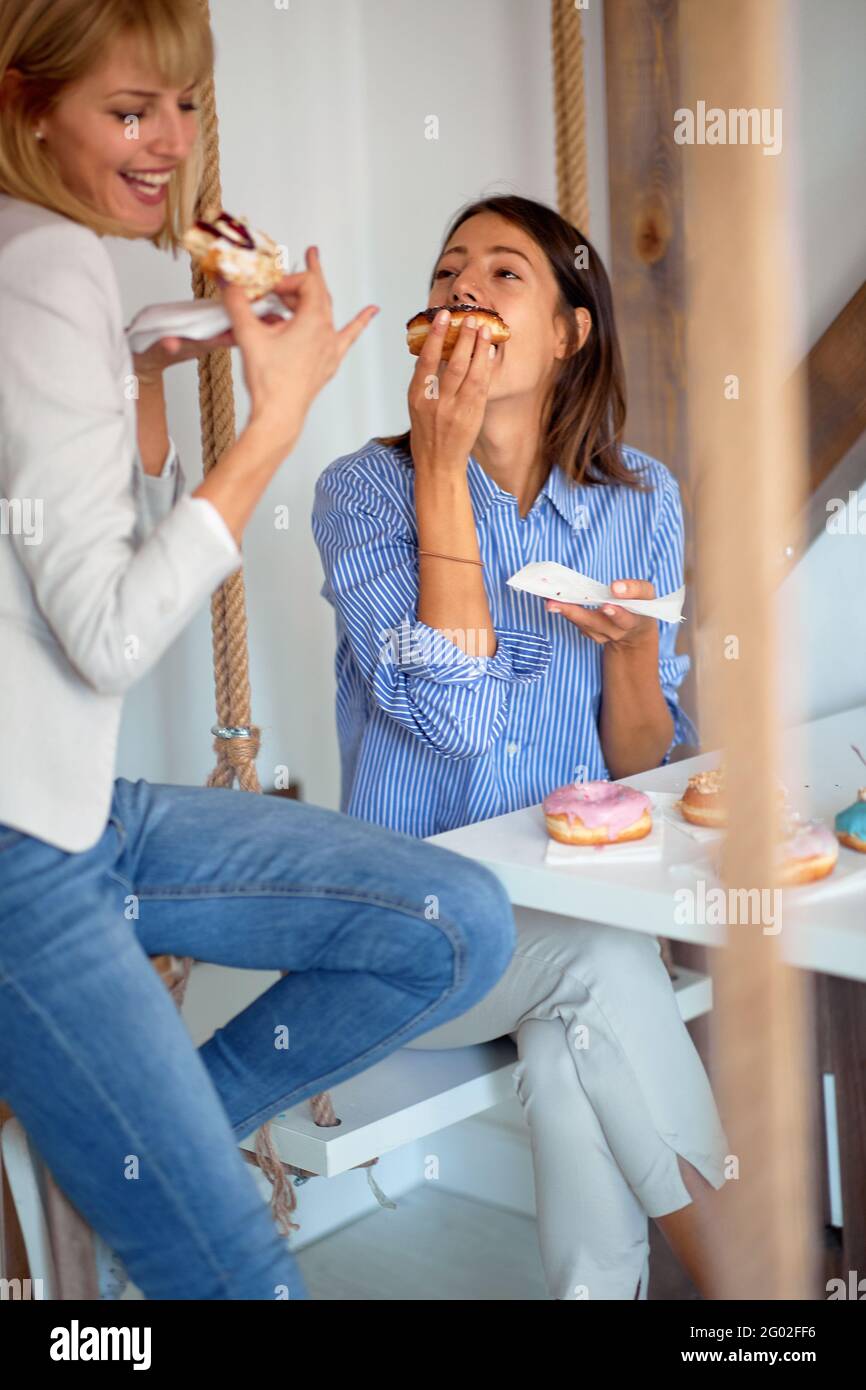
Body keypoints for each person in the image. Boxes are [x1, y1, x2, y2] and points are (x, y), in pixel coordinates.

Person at [0, 0, 515, 1301]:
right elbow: (112, 631)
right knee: (241, 1277)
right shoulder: (42, 266)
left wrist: (153, 371)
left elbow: (63, 553)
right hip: (17, 844)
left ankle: (124, 1153)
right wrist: (277, 416)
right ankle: (158, 1177)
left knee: (451, 919)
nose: (171, 142)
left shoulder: (52, 269)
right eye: (131, 109)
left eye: (183, 103)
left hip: (70, 807)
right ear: (24, 103)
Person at [312, 194, 730, 1300]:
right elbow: (445, 717)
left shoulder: (638, 498)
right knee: (596, 967)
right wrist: (440, 471)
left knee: (569, 1036)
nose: (461, 288)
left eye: (502, 273)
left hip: (573, 917)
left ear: (566, 333)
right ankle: (761, 1299)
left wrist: (632, 657)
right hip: (410, 934)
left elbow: (645, 775)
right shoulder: (363, 493)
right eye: (447, 269)